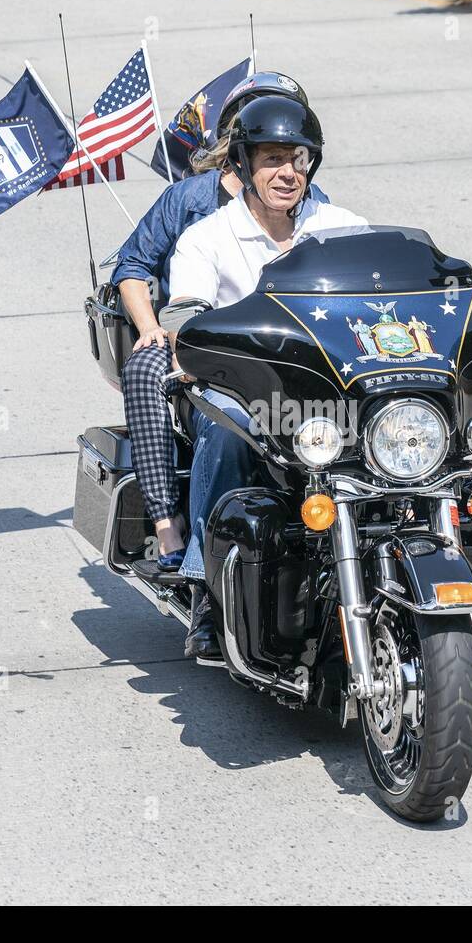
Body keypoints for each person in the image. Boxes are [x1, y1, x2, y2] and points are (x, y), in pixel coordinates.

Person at [162, 95, 368, 660]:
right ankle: (205, 586)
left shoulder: (341, 227)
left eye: (298, 159)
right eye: (272, 158)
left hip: (333, 393)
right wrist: (196, 352)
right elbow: (182, 314)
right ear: (243, 165)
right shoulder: (209, 237)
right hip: (247, 392)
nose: (287, 172)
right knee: (228, 433)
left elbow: (390, 290)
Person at [113, 73, 328, 572]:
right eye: (268, 148)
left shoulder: (312, 204)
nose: (285, 166)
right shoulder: (190, 202)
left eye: (292, 149)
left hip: (287, 342)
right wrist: (152, 328)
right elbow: (133, 267)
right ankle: (171, 530)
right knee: (146, 368)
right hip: (194, 334)